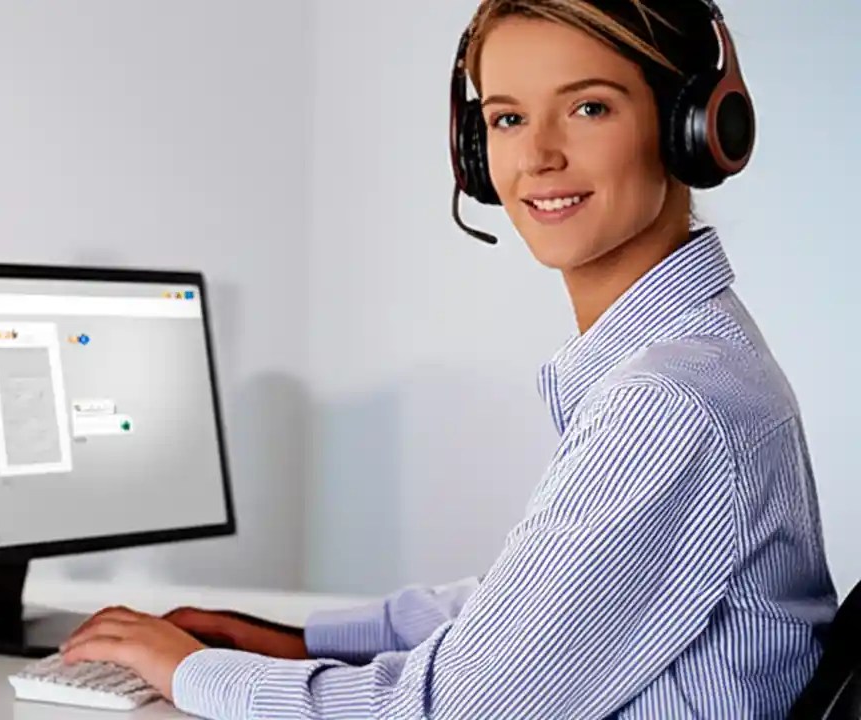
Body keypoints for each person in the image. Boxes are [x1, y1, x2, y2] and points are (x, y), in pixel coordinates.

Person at [59, 0, 839, 717]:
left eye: (589, 108)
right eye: (505, 119)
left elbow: (459, 709)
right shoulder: (688, 352)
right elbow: (520, 605)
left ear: (693, 129)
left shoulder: (670, 400)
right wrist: (292, 638)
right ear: (474, 148)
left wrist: (191, 673)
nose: (537, 156)